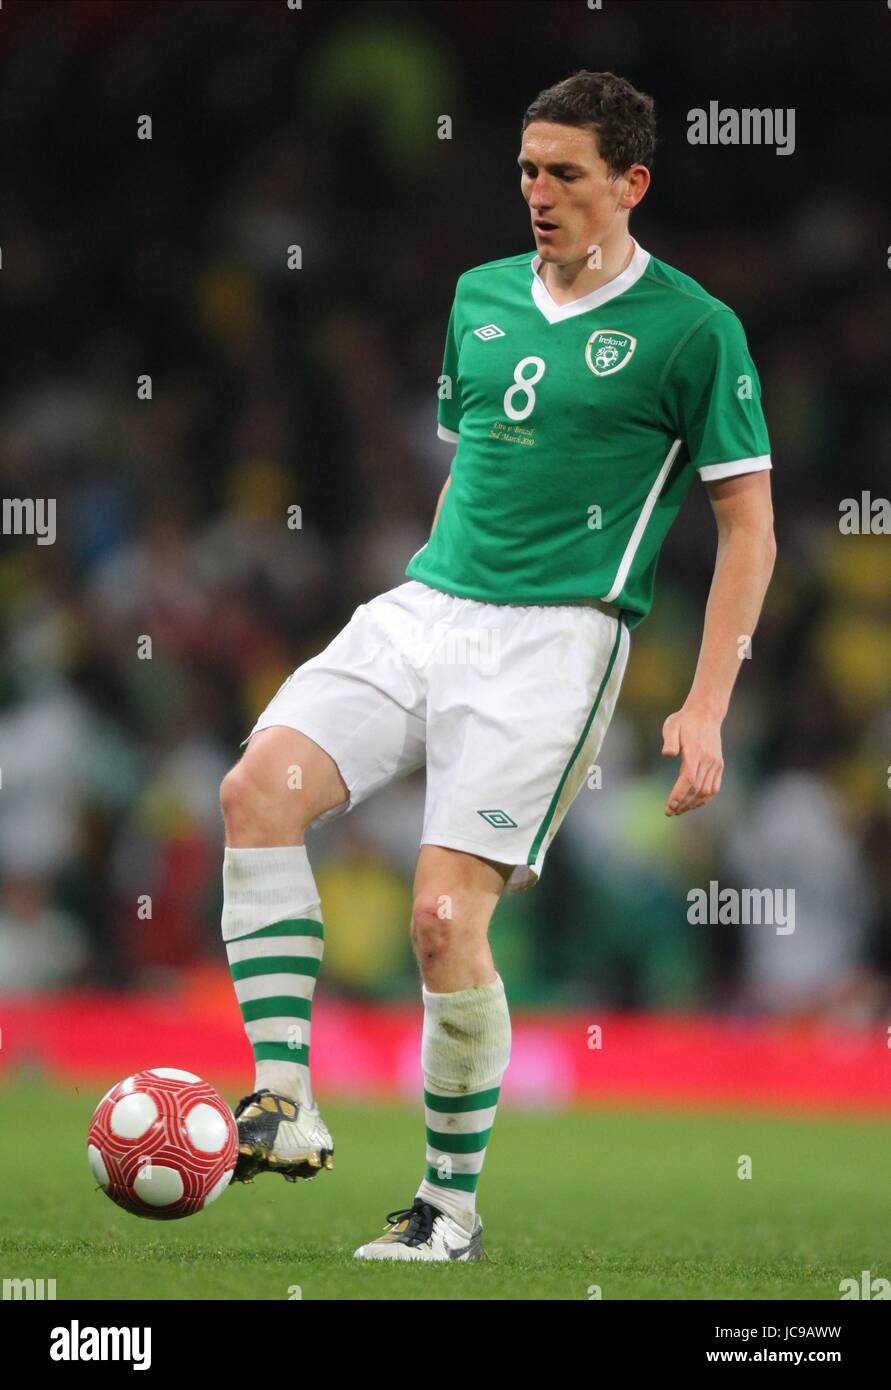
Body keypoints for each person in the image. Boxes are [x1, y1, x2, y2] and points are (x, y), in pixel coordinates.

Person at [218, 70, 776, 1262]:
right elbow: (481, 460)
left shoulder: (694, 330)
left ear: (631, 183)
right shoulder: (477, 296)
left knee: (438, 918)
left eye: (565, 172)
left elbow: (750, 527)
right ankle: (282, 1095)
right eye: (527, 168)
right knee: (255, 790)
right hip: (430, 603)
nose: (537, 191)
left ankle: (446, 1211)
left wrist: (709, 703)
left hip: (559, 639)